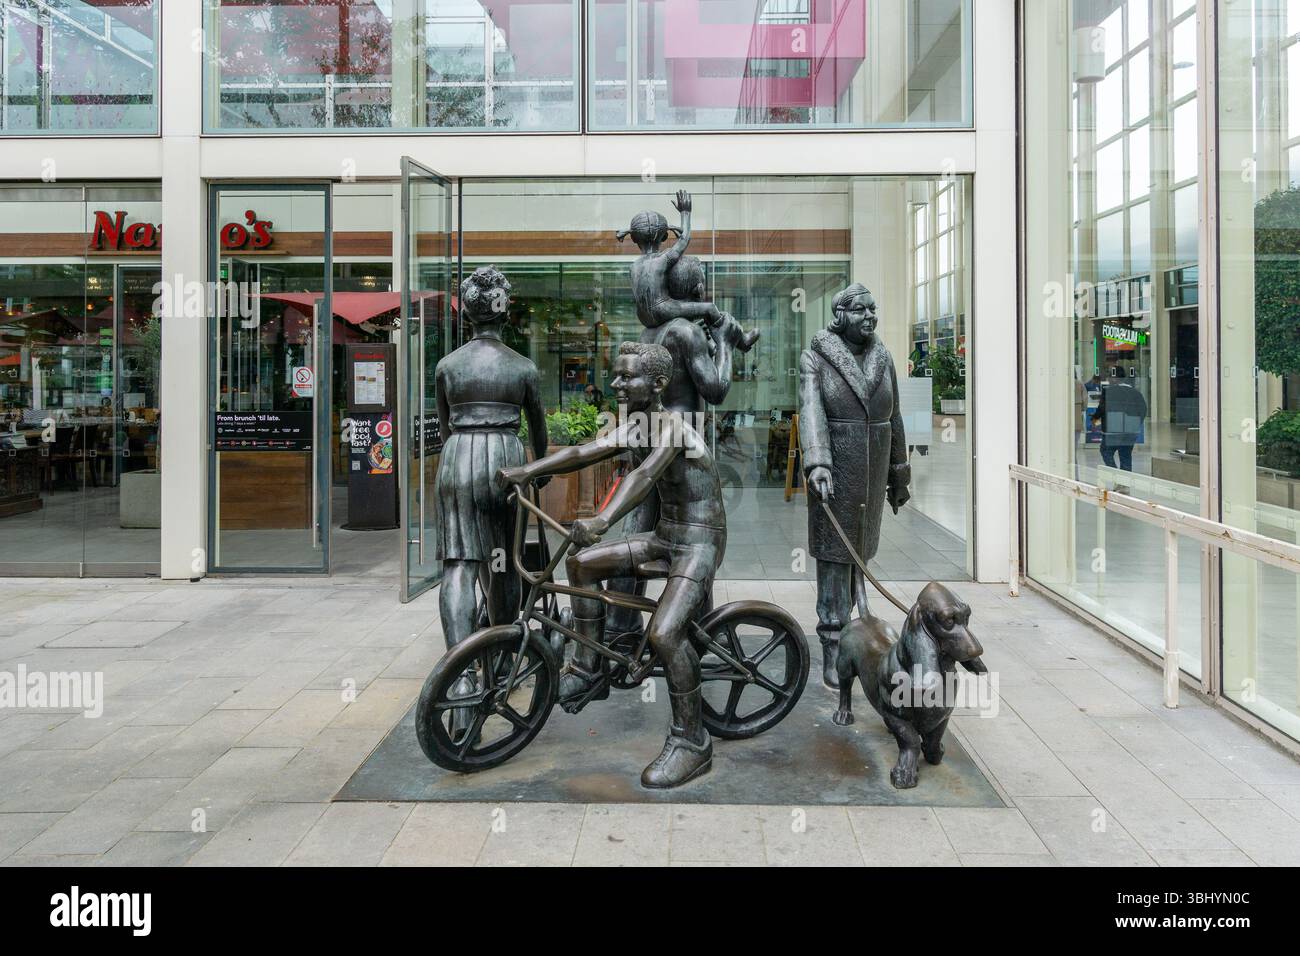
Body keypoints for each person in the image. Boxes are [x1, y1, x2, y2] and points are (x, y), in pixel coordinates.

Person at [498, 341, 725, 788]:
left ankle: (692, 741)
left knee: (663, 634)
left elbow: (642, 477)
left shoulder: (675, 427)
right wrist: (529, 471)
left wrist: (603, 518)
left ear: (658, 384)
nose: (617, 383)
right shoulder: (638, 424)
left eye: (627, 377)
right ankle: (588, 669)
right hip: (665, 537)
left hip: (698, 542)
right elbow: (586, 452)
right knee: (581, 564)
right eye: (616, 375)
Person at [605, 191, 755, 645]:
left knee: (638, 526)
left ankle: (621, 627)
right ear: (692, 289)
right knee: (692, 538)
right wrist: (727, 343)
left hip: (649, 433)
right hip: (681, 440)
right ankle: (691, 628)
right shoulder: (685, 330)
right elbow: (715, 390)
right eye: (702, 288)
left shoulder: (651, 329)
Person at [799, 284, 910, 688]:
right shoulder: (815, 358)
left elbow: (895, 416)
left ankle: (857, 632)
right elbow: (811, 413)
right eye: (860, 309)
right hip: (835, 474)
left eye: (873, 308)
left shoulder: (884, 357)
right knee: (834, 559)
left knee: (861, 552)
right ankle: (832, 645)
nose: (869, 316)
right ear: (840, 315)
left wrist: (899, 471)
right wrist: (818, 463)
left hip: (873, 470)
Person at [433, 265, 548, 654]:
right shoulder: (523, 367)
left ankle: (459, 669)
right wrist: (541, 468)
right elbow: (538, 430)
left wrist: (457, 463)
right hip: (507, 460)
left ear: (466, 313)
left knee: (459, 564)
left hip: (458, 457)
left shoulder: (448, 367)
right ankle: (500, 650)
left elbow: (444, 423)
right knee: (503, 558)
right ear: (505, 310)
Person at [1091, 381, 1147, 473]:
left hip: (1113, 429)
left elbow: (1102, 407)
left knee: (1106, 451)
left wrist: (1095, 418)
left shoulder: (1109, 391)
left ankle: (1115, 474)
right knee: (1126, 455)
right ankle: (1124, 482)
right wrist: (1136, 423)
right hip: (1130, 431)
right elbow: (1143, 409)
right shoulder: (1136, 393)